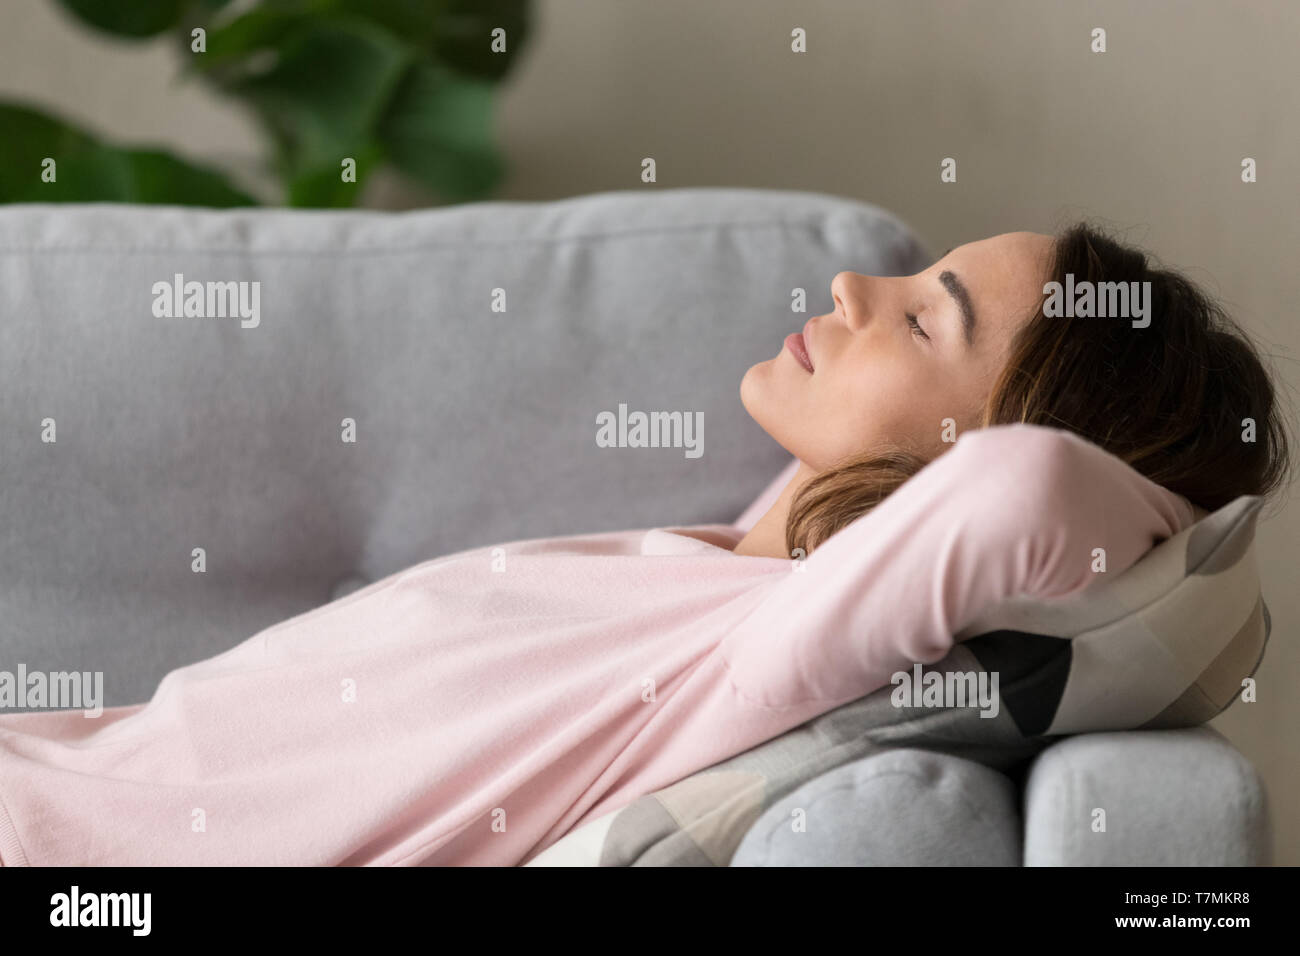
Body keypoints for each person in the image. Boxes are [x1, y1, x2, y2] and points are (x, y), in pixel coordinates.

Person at [0, 224, 1289, 867]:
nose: (853, 289)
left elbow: (1035, 487)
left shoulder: (762, 653)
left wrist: (1168, 507)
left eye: (922, 322)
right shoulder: (724, 560)